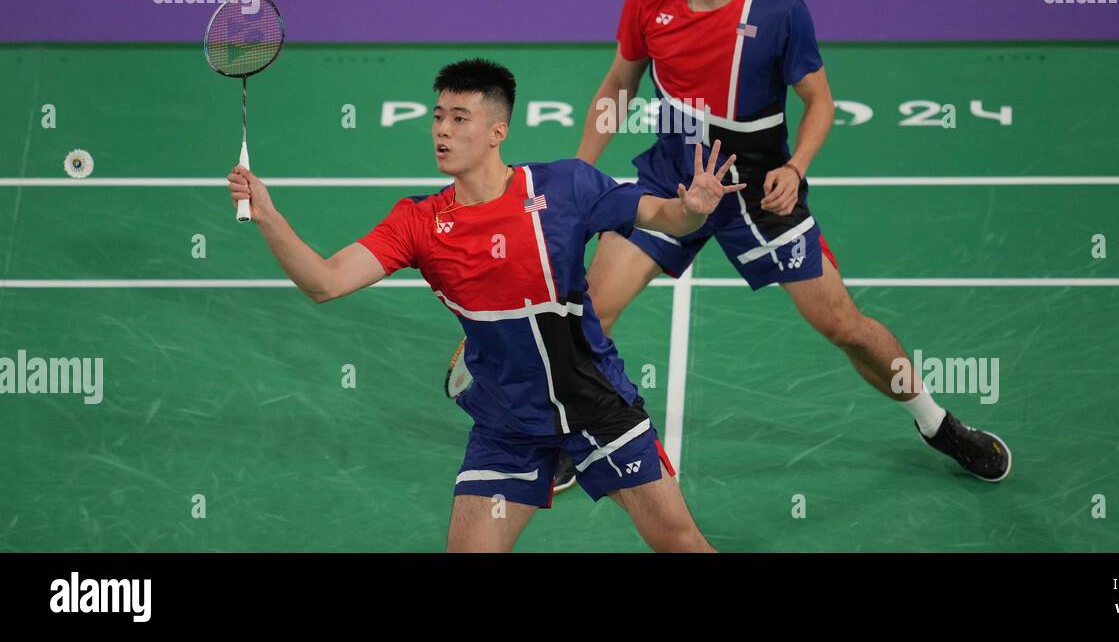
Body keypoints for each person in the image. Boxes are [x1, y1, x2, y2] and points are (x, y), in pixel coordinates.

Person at [450, 0, 1011, 490]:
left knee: (842, 324)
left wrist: (797, 168)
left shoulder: (779, 10)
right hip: (673, 173)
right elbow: (618, 84)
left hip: (757, 182)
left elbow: (819, 101)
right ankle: (571, 434)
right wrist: (583, 169)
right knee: (590, 314)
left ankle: (936, 423)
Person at [228, 58, 744, 551]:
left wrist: (691, 208)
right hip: (508, 424)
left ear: (498, 131)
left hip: (597, 408)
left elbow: (661, 216)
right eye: (437, 118)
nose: (442, 131)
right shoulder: (419, 224)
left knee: (681, 545)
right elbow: (325, 281)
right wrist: (268, 216)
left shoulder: (564, 186)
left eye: (459, 118)